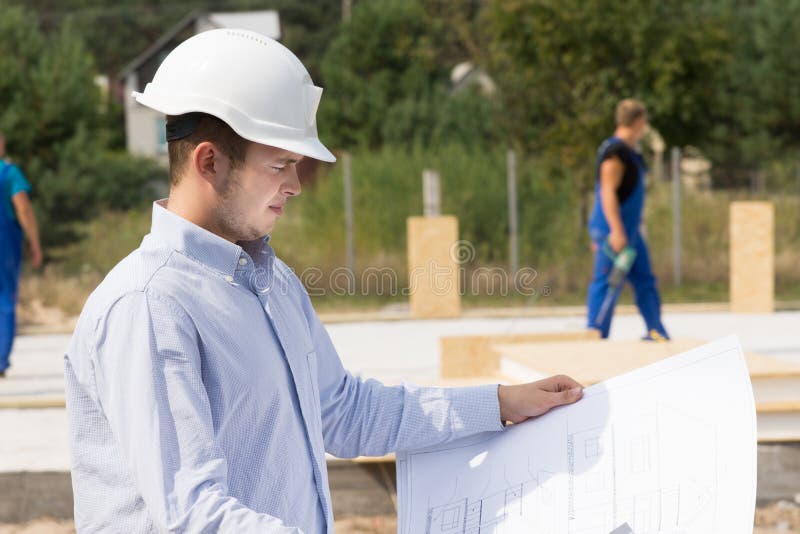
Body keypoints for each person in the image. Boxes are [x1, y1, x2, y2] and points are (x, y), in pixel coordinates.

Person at [64, 30, 584, 532]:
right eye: (281, 165)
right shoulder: (149, 305)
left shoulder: (272, 283)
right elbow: (192, 512)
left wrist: (499, 403)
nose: (294, 185)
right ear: (211, 162)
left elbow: (344, 411)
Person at [586, 99, 670, 340]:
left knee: (645, 280)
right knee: (607, 284)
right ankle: (595, 335)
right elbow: (607, 191)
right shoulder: (615, 153)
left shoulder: (632, 152)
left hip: (631, 232)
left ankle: (656, 331)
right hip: (613, 231)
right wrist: (616, 230)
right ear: (639, 121)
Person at [0, 132, 42, 378]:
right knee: (5, 301)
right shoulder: (9, 173)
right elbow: (23, 208)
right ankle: (1, 361)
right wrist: (35, 242)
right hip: (5, 245)